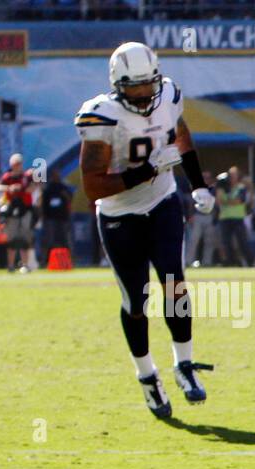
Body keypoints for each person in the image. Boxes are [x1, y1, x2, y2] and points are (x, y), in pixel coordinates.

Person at [75, 41, 216, 418]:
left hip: (163, 203)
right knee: (136, 302)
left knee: (175, 281)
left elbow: (181, 134)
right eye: (133, 88)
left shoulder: (168, 94)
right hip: (120, 215)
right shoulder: (101, 116)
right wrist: (147, 169)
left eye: (146, 86)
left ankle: (184, 364)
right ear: (117, 85)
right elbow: (93, 185)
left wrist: (197, 182)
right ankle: (147, 376)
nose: (142, 96)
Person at [0, 153, 36, 272]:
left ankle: (25, 265)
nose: (18, 166)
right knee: (11, 239)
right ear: (12, 165)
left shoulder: (26, 176)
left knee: (25, 238)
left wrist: (23, 188)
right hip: (11, 211)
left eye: (19, 164)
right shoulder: (8, 177)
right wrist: (10, 188)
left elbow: (33, 187)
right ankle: (11, 265)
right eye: (15, 164)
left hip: (25, 209)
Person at [215, 167, 249, 266]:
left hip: (238, 218)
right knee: (226, 242)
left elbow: (239, 201)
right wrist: (221, 192)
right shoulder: (223, 187)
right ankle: (230, 262)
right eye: (231, 176)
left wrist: (226, 201)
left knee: (242, 241)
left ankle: (249, 261)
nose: (232, 178)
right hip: (225, 218)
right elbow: (219, 201)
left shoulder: (241, 187)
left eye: (235, 175)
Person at [40, 167, 73, 257]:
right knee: (50, 240)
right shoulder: (48, 188)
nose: (56, 176)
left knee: (65, 239)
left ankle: (68, 258)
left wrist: (65, 195)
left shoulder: (64, 187)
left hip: (63, 217)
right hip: (50, 218)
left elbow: (70, 199)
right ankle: (47, 259)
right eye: (54, 174)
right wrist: (43, 216)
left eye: (57, 174)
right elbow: (43, 203)